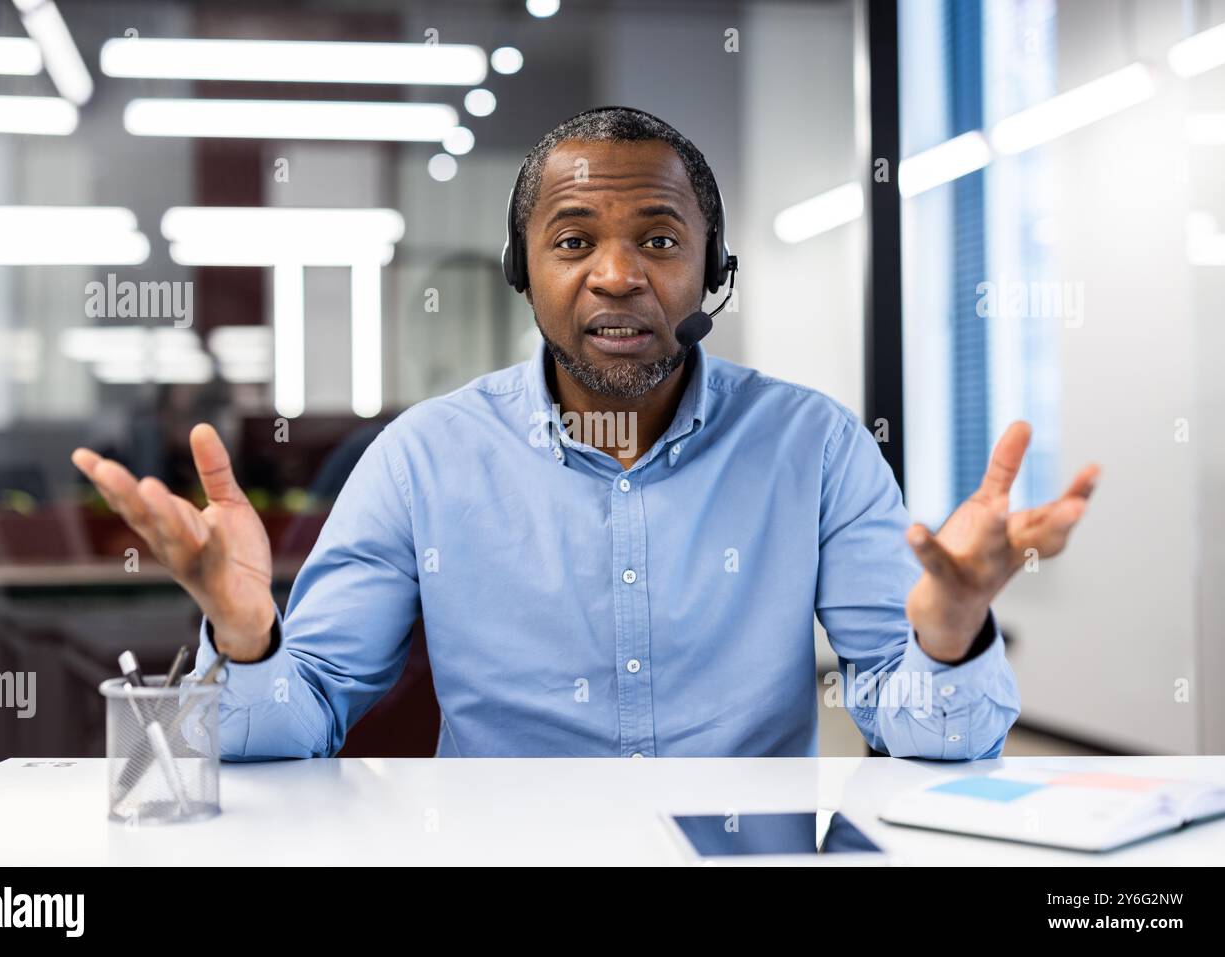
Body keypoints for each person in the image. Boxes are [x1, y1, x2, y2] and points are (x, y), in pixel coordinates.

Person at [72, 106, 1099, 760]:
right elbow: (285, 728)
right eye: (572, 241)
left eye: (660, 238)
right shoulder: (425, 458)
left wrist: (949, 629)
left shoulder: (815, 447)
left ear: (713, 270)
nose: (616, 274)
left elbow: (936, 736)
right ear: (521, 271)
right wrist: (244, 638)